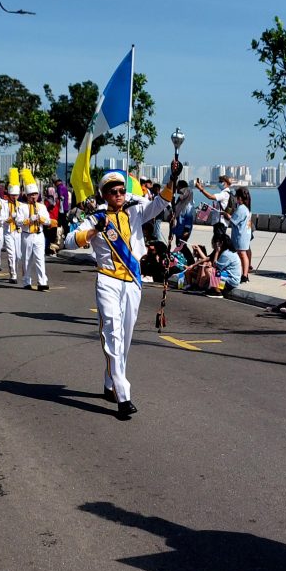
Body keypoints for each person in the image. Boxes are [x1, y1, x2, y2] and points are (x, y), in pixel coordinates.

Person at [68, 162, 182, 420]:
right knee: (113, 334)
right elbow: (69, 240)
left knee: (126, 338)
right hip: (107, 281)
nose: (119, 195)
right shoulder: (95, 219)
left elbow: (161, 203)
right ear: (104, 195)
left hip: (132, 281)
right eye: (113, 191)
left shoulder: (135, 213)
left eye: (121, 190)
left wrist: (172, 177)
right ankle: (123, 394)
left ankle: (110, 383)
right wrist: (93, 232)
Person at [19, 174, 53, 290]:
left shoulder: (42, 207)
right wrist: (29, 220)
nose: (33, 197)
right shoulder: (22, 207)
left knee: (40, 258)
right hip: (27, 235)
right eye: (31, 195)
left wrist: (40, 219)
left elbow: (48, 221)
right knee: (27, 259)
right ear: (27, 196)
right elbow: (18, 222)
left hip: (39, 234)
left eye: (35, 194)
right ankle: (26, 281)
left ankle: (42, 282)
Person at [229, 187, 253, 282]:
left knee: (242, 254)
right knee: (242, 254)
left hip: (240, 235)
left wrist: (227, 215)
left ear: (239, 198)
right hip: (245, 234)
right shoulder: (246, 208)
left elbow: (233, 220)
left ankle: (245, 275)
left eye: (236, 197)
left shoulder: (241, 208)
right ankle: (244, 274)